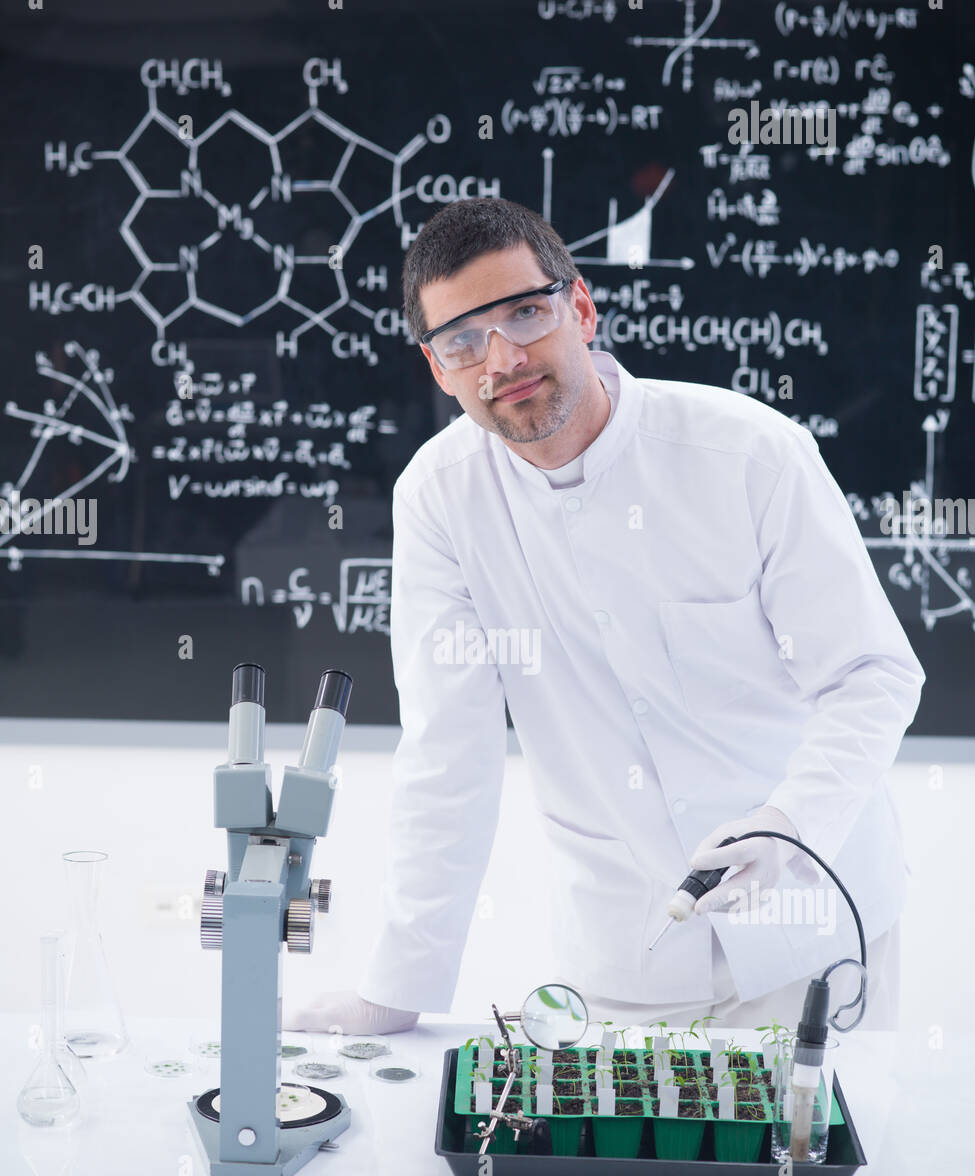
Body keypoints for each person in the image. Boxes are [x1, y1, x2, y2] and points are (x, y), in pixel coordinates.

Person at [285, 197, 924, 1040]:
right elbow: (449, 747)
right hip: (626, 961)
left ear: (579, 309)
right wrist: (398, 985)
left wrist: (794, 823)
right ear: (437, 369)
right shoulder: (439, 500)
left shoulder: (748, 453)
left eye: (523, 313)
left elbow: (871, 674)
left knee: (814, 1161)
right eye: (462, 341)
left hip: (812, 931)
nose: (502, 358)